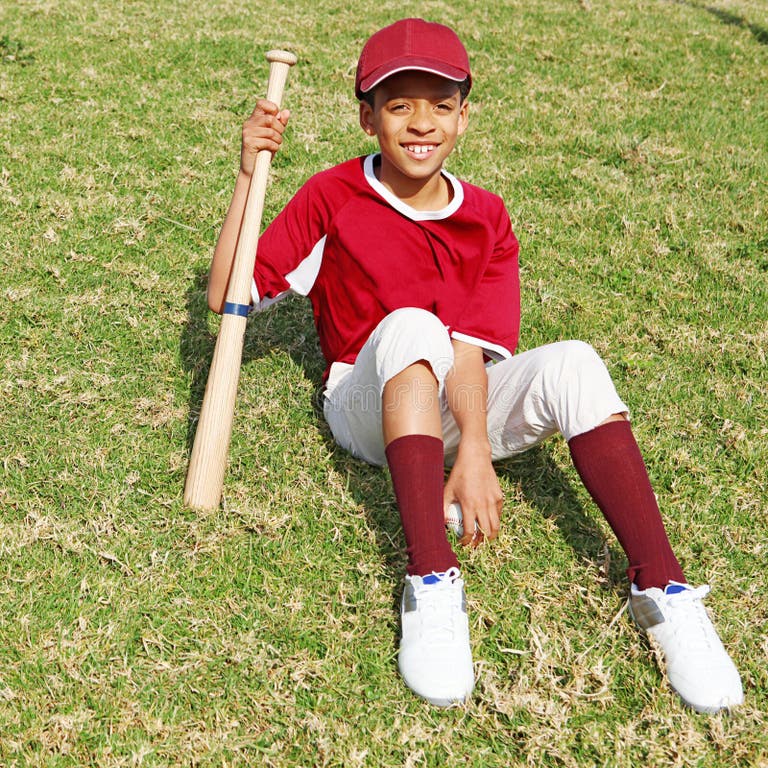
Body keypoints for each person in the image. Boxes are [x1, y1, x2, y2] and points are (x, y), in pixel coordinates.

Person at [206, 18, 743, 713]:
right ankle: (432, 578)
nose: (420, 123)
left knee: (574, 361)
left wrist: (478, 451)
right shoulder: (332, 196)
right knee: (410, 326)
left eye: (439, 104)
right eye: (398, 106)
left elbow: (471, 346)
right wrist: (249, 174)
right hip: (367, 406)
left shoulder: (486, 215)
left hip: (454, 395)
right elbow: (229, 294)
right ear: (367, 118)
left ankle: (662, 591)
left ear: (465, 116)